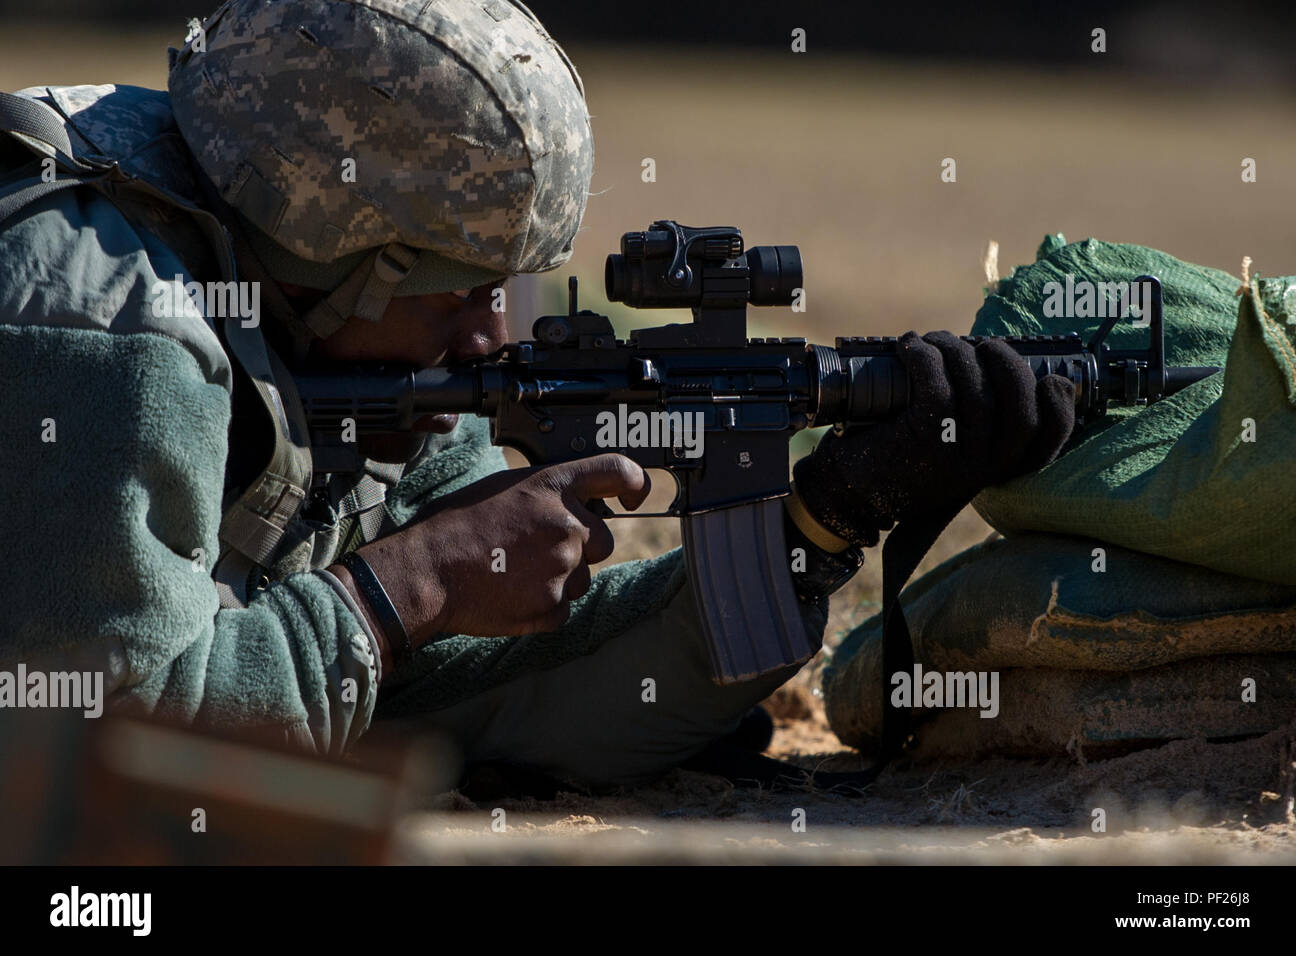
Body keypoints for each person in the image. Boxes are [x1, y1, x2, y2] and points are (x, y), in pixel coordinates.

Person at [0, 0, 1074, 788]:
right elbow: (99, 755)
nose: (493, 334)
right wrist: (406, 586)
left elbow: (483, 702)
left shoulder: (353, 345)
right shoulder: (103, 321)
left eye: (510, 286)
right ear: (324, 249)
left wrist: (821, 516)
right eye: (458, 290)